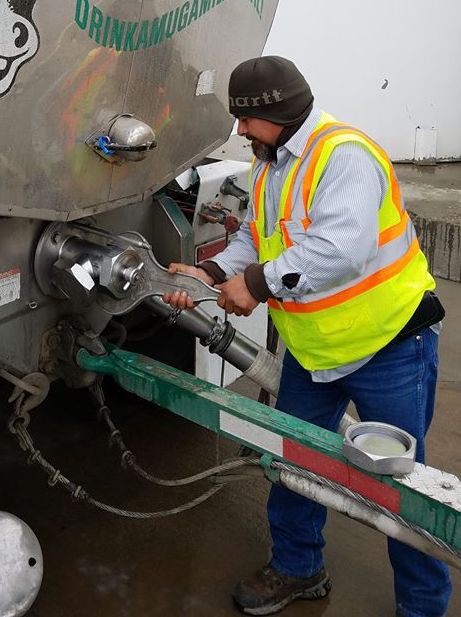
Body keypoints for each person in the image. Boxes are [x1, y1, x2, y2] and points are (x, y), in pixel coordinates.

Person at [163, 56, 451, 617]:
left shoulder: (344, 157)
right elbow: (257, 235)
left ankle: (422, 607)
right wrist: (214, 274)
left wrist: (255, 285)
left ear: (277, 113)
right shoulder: (272, 163)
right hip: (317, 353)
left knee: (401, 491)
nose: (240, 131)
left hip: (390, 347)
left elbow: (338, 251)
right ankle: (298, 568)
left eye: (245, 121)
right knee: (293, 462)